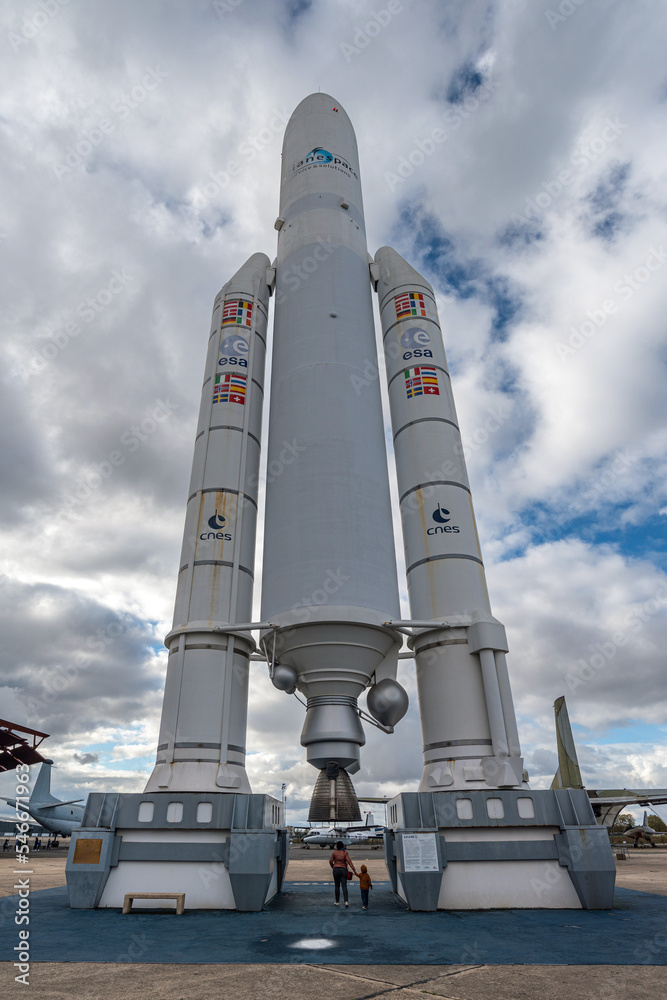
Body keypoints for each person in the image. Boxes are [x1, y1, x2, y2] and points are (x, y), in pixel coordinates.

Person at [329, 840, 357, 906]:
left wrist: (333, 867)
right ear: (342, 846)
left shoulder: (334, 852)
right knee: (344, 886)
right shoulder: (345, 853)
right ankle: (346, 901)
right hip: (343, 869)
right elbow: (349, 861)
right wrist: (354, 869)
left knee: (337, 886)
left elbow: (330, 861)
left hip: (336, 869)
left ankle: (337, 901)